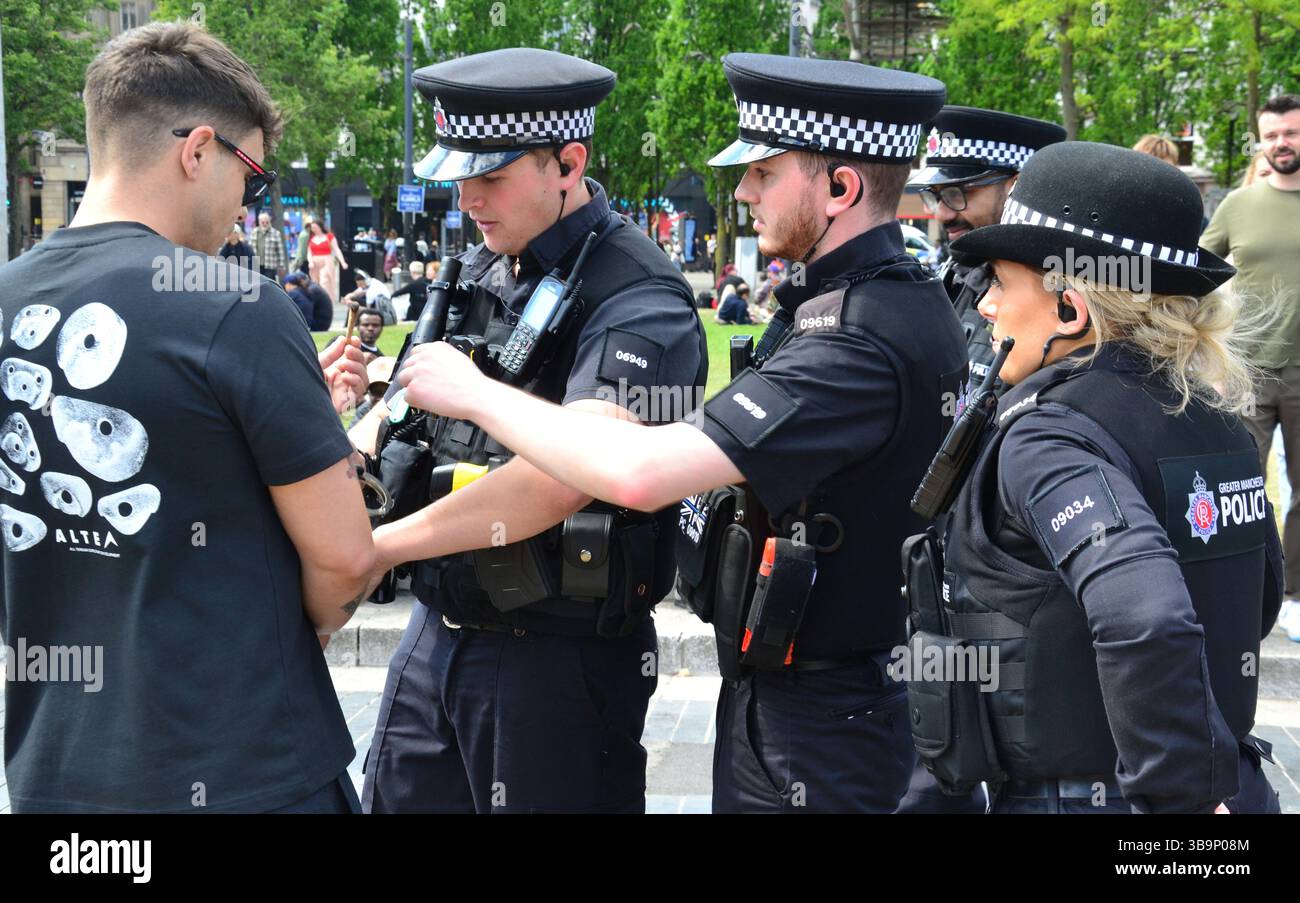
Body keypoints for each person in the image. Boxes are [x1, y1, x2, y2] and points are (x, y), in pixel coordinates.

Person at [391, 52, 962, 814]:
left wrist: (475, 396)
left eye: (763, 171)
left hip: (830, 715)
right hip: (805, 698)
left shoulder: (859, 337)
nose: (742, 190)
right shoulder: (851, 306)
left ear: (840, 186)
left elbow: (635, 472)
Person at [0, 20, 373, 814]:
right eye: (254, 178)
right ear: (197, 149)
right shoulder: (236, 305)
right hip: (246, 768)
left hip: (57, 775)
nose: (247, 206)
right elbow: (344, 559)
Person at [353, 47, 707, 815]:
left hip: (553, 655)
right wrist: (359, 422)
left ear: (567, 162)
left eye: (491, 175)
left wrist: (379, 548)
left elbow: (562, 478)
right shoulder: (487, 264)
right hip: (438, 627)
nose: (468, 197)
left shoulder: (637, 293)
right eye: (459, 176)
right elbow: (409, 399)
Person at [908, 140, 1282, 814]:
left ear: (1071, 310)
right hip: (1237, 782)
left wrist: (1181, 798)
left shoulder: (1049, 434)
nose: (985, 305)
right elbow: (1256, 602)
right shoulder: (1219, 419)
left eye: (999, 279)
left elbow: (1150, 617)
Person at [1202, 94, 1300, 643]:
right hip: (1246, 371)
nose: (1281, 143)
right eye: (1272, 135)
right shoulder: (1238, 205)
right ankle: (1235, 587)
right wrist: (1206, 354)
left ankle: (1293, 596)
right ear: (1261, 141)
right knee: (1236, 481)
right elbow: (1197, 270)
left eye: (1291, 132)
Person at [911, 106, 1066, 383]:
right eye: (936, 196)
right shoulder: (958, 276)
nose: (942, 214)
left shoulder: (1055, 296)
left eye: (957, 193)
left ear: (1016, 188)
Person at [307, 220, 348, 302]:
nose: (313, 229)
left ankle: (325, 299)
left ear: (320, 227)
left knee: (325, 280)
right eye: (312, 228)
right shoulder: (311, 238)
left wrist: (342, 261)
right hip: (315, 262)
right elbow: (309, 252)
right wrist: (310, 261)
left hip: (327, 260)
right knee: (315, 282)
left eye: (315, 227)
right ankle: (318, 299)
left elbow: (336, 249)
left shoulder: (329, 236)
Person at [252, 210, 287, 282]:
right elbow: (250, 248)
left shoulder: (275, 233)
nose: (265, 224)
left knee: (269, 284)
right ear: (259, 222)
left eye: (267, 222)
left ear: (270, 222)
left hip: (270, 265)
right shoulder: (254, 232)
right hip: (257, 264)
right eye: (263, 222)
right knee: (258, 285)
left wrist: (281, 266)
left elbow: (280, 251)